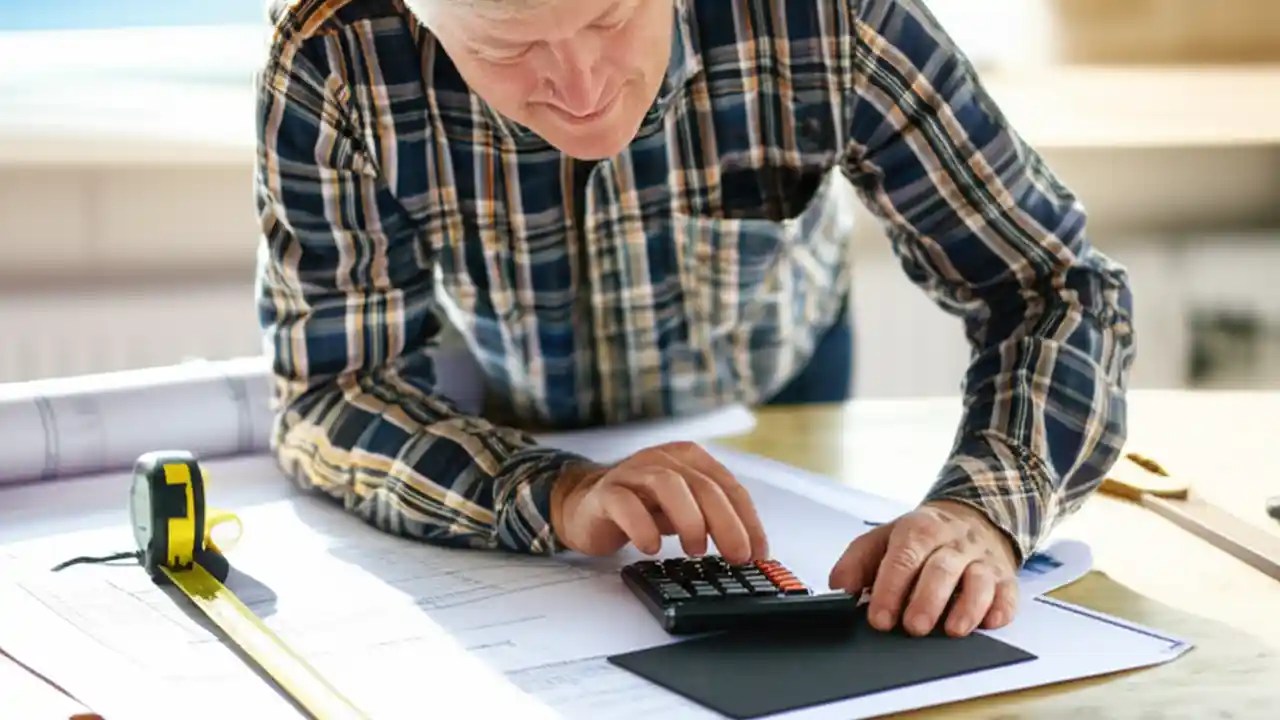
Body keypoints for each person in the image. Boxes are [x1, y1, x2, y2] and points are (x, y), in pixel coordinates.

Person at [253, 0, 1135, 640]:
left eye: (608, 17)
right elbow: (332, 390)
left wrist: (983, 512)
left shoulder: (829, 14)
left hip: (785, 383)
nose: (582, 88)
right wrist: (553, 492)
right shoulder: (333, 55)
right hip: (512, 423)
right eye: (505, 45)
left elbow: (1052, 285)